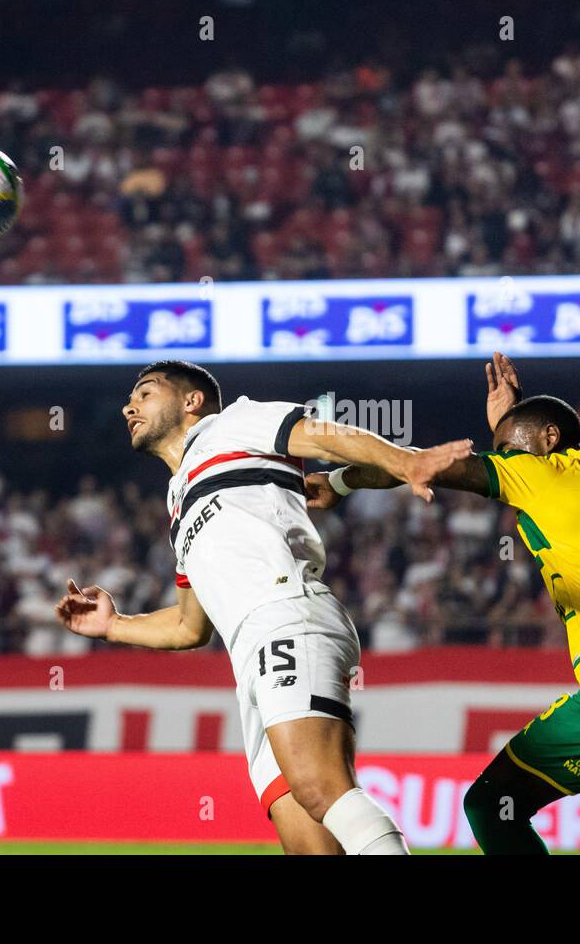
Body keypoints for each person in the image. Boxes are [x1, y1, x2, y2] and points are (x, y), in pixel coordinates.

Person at [307, 353, 580, 854]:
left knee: (491, 802)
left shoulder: (541, 473)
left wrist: (340, 482)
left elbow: (426, 464)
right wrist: (509, 426)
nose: (504, 460)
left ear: (549, 441)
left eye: (508, 449)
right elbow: (538, 462)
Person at [54, 360, 471, 855]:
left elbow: (322, 436)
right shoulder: (178, 495)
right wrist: (115, 626)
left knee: (321, 788)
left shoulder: (233, 422)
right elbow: (190, 626)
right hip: (250, 654)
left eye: (145, 393)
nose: (129, 405)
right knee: (309, 845)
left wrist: (404, 462)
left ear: (191, 402)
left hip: (288, 614)